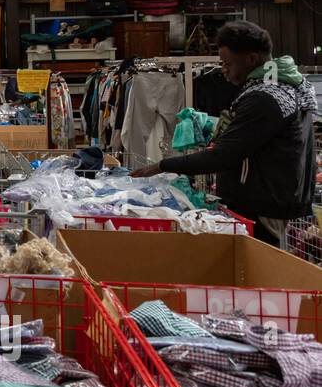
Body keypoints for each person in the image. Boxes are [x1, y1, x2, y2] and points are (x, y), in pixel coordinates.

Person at [134, 21, 317, 249]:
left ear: (251, 59)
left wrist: (162, 166)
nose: (223, 69)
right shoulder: (283, 87)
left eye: (227, 63)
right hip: (274, 198)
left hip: (262, 205)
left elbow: (223, 156)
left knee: (258, 264)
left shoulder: (264, 98)